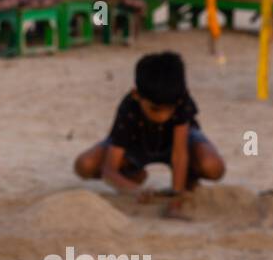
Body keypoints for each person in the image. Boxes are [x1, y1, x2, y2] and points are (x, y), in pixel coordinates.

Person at [73, 51, 225, 219]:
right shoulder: (129, 108)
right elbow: (109, 169)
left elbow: (179, 154)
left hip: (175, 144)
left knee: (212, 166)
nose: (163, 116)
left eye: (169, 109)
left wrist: (176, 197)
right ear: (136, 95)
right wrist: (133, 190)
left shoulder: (181, 100)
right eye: (155, 109)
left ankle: (188, 179)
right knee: (85, 164)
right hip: (136, 145)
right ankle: (132, 173)